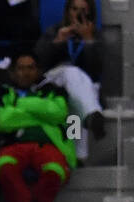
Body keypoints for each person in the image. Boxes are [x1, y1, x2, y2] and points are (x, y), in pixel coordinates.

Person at [0, 50, 75, 202]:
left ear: (39, 71)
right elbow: (2, 121)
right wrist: (40, 114)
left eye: (30, 68)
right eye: (20, 68)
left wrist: (21, 105)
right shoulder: (0, 92)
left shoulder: (53, 90)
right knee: (4, 166)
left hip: (48, 144)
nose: (25, 73)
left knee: (55, 170)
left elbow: (59, 113)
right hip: (13, 145)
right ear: (12, 72)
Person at [35, 0, 105, 156]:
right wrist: (58, 41)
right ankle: (92, 113)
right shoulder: (54, 31)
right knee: (71, 73)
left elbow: (96, 70)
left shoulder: (96, 36)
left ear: (90, 13)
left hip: (79, 88)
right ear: (67, 11)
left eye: (83, 10)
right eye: (74, 9)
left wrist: (88, 41)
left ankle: (78, 154)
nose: (78, 13)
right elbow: (38, 62)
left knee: (78, 99)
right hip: (53, 81)